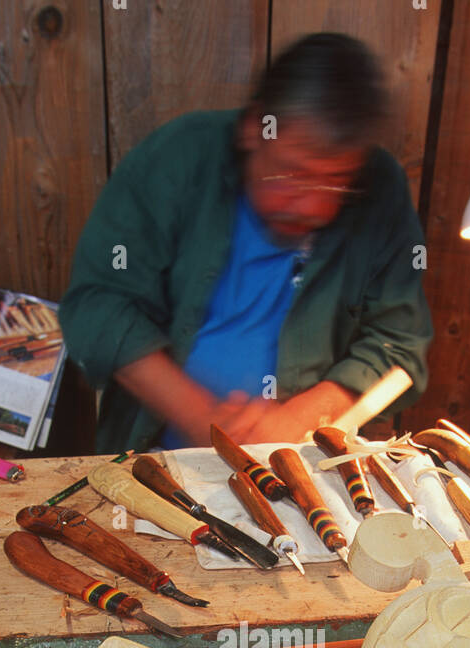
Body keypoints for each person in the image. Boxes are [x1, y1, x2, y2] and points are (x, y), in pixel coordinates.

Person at [59, 32, 432, 454]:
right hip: (155, 458)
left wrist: (301, 418)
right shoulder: (177, 159)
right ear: (255, 129)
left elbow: (400, 345)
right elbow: (96, 308)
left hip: (311, 464)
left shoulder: (380, 185)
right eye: (292, 174)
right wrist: (204, 420)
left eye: (336, 184)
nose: (311, 206)